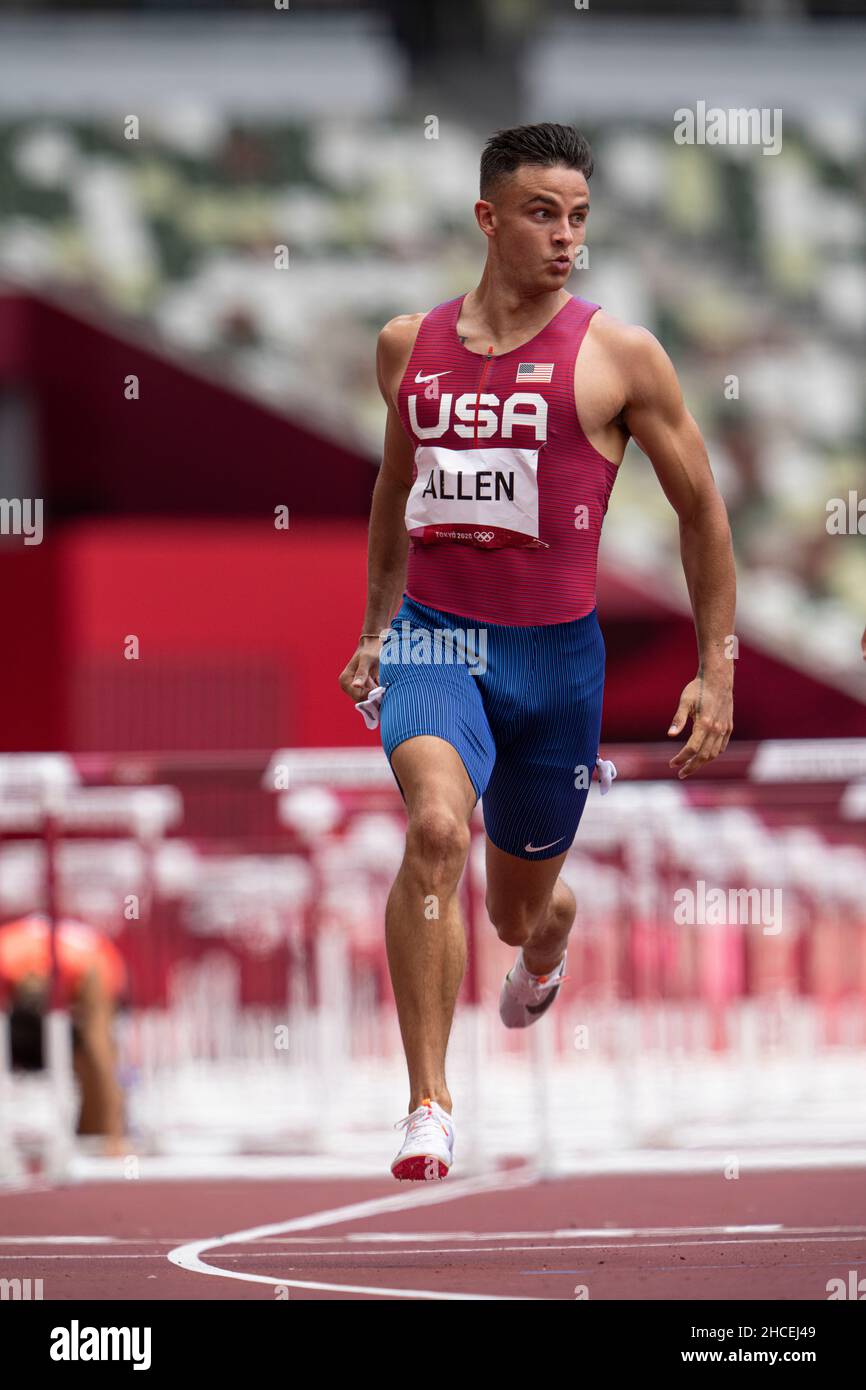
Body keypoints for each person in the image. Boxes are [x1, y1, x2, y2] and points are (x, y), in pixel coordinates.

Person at [338, 122, 736, 1180]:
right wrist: (378, 626)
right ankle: (427, 1103)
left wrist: (716, 662)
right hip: (437, 641)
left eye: (578, 219)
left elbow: (699, 510)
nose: (565, 238)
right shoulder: (404, 346)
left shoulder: (617, 355)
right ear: (486, 218)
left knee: (516, 906)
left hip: (555, 666)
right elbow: (391, 491)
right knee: (434, 828)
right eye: (541, 214)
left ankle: (549, 932)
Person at [0, 913, 127, 1153]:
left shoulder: (95, 963)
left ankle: (97, 1131)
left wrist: (114, 1134)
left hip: (74, 1011)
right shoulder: (9, 951)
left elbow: (99, 1048)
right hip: (18, 1019)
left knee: (94, 1053)